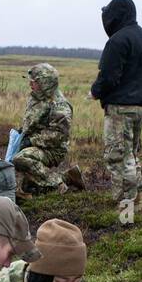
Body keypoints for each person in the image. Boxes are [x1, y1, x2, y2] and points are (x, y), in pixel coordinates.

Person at [89, 0, 142, 215]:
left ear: (115, 15)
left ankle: (126, 209)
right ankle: (136, 202)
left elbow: (109, 77)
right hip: (140, 108)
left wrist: (95, 91)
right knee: (131, 155)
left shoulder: (118, 41)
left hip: (120, 109)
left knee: (119, 157)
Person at [10, 63, 84, 198]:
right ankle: (70, 176)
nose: (30, 85)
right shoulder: (37, 98)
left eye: (34, 82)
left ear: (45, 83)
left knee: (21, 159)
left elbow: (57, 135)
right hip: (37, 146)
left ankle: (58, 184)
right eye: (30, 82)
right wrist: (22, 133)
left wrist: (30, 140)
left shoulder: (60, 105)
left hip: (53, 150)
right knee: (30, 184)